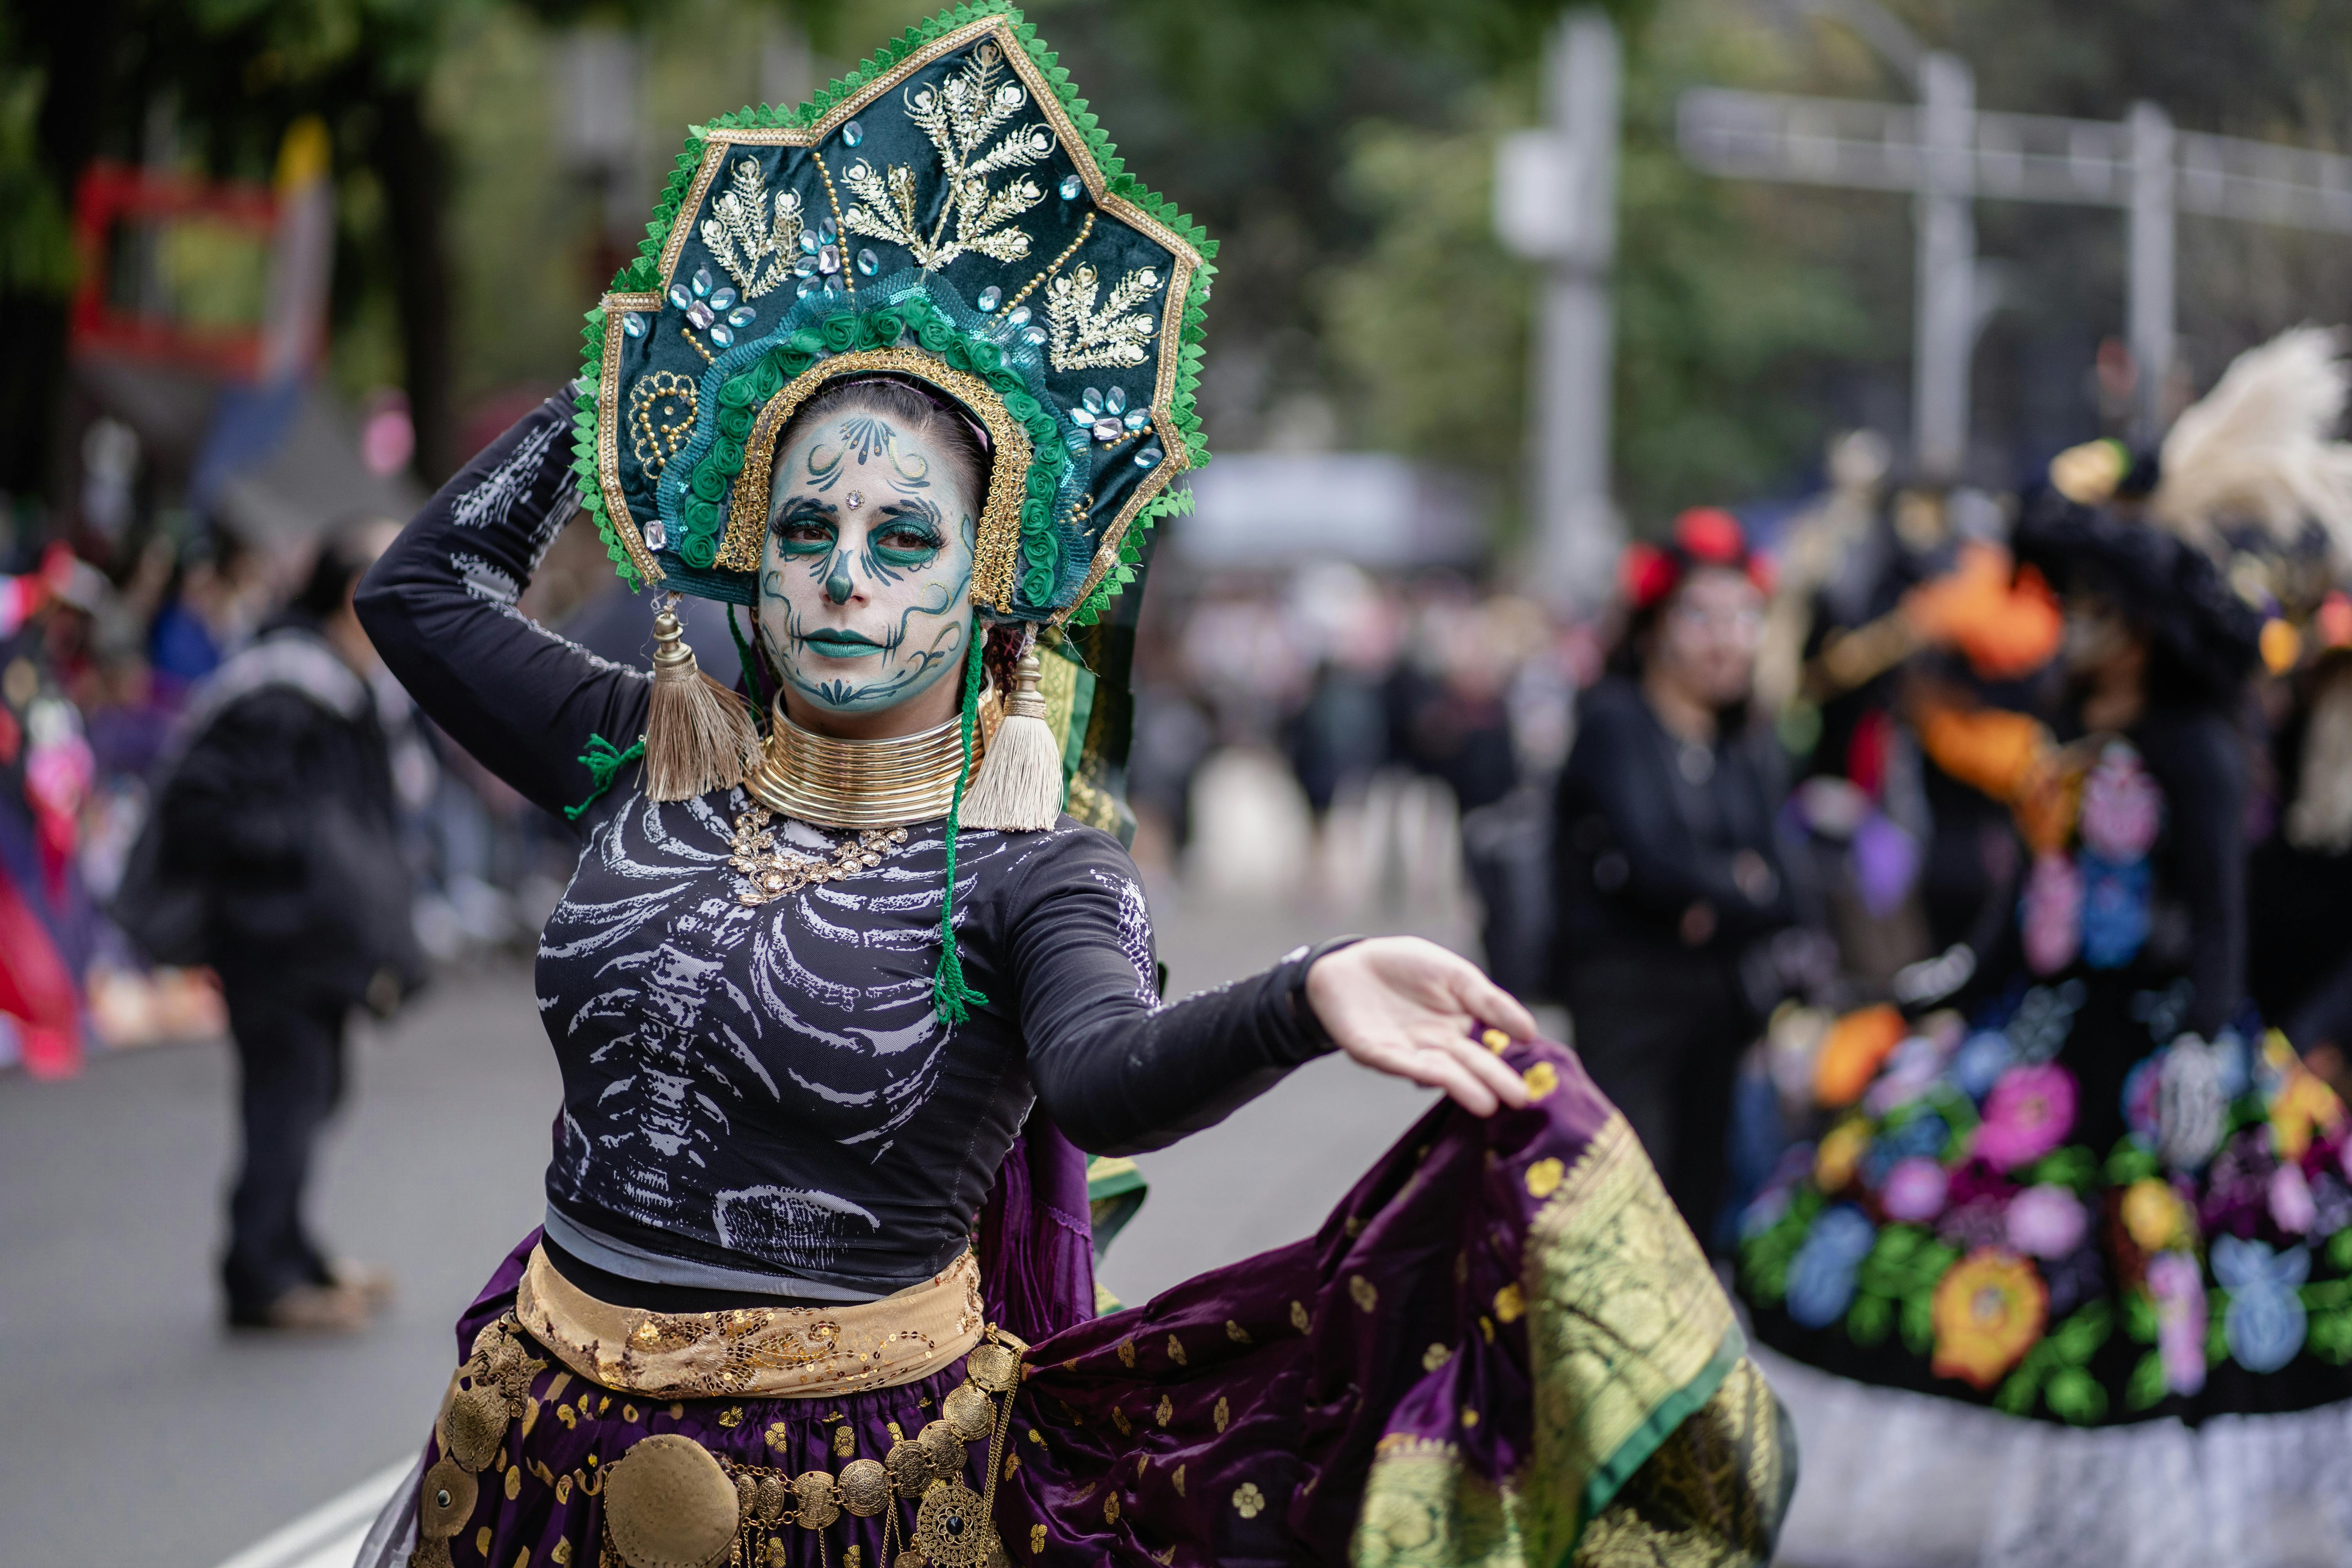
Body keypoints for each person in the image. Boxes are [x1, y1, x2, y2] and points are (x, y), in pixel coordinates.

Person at [348, 13, 1794, 1568]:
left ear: (990, 590)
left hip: (860, 1504)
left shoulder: (1034, 872)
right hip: (530, 1455)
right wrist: (660, 362)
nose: (843, 576)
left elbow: (1109, 1074)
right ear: (746, 559)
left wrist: (1316, 988)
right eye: (804, 528)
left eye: (904, 542)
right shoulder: (650, 751)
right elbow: (420, 598)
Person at [1736, 327, 2352, 1565]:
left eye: (2094, 608)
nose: (2072, 628)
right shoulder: (2070, 734)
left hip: (2160, 1036)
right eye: (2068, 605)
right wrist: (1955, 980)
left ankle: (2152, 1526)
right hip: (2042, 1029)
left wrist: (2203, 1042)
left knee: (2159, 1274)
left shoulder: (2190, 741)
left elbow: (2217, 910)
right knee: (1952, 1224)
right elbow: (2032, 897)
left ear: (2144, 620)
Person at [137, 519, 421, 1331]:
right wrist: (298, 860)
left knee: (316, 1091)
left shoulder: (335, 678)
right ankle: (259, 1275)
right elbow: (208, 808)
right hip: (275, 936)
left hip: (309, 938)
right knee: (286, 1098)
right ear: (351, 594)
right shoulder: (283, 684)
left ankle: (294, 1248)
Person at [1551, 506, 1795, 1240]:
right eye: (1702, 618)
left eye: (1743, 619)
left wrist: (1718, 895)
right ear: (1656, 625)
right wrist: (1731, 885)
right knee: (1632, 1197)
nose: (1726, 641)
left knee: (1702, 1197)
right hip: (1630, 993)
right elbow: (1652, 861)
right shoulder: (1617, 720)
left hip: (1719, 996)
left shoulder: (1745, 738)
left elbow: (1784, 877)